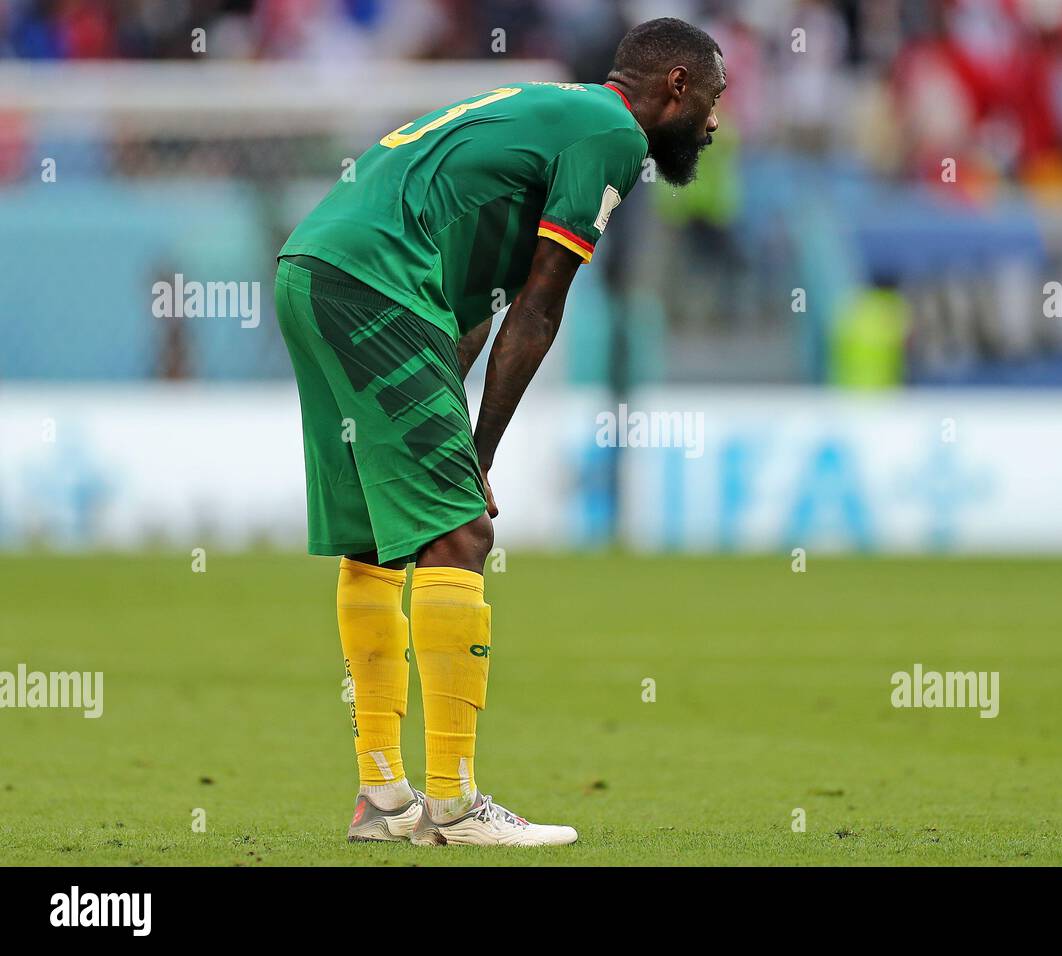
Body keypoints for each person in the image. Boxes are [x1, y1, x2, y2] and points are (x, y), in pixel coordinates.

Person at [273, 17, 725, 847]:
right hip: (374, 282)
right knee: (459, 536)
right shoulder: (612, 136)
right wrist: (475, 459)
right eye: (714, 99)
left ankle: (383, 796)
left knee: (376, 539)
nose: (716, 123)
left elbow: (474, 313)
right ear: (675, 88)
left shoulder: (548, 116)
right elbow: (540, 307)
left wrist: (460, 443)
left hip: (314, 268)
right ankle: (453, 805)